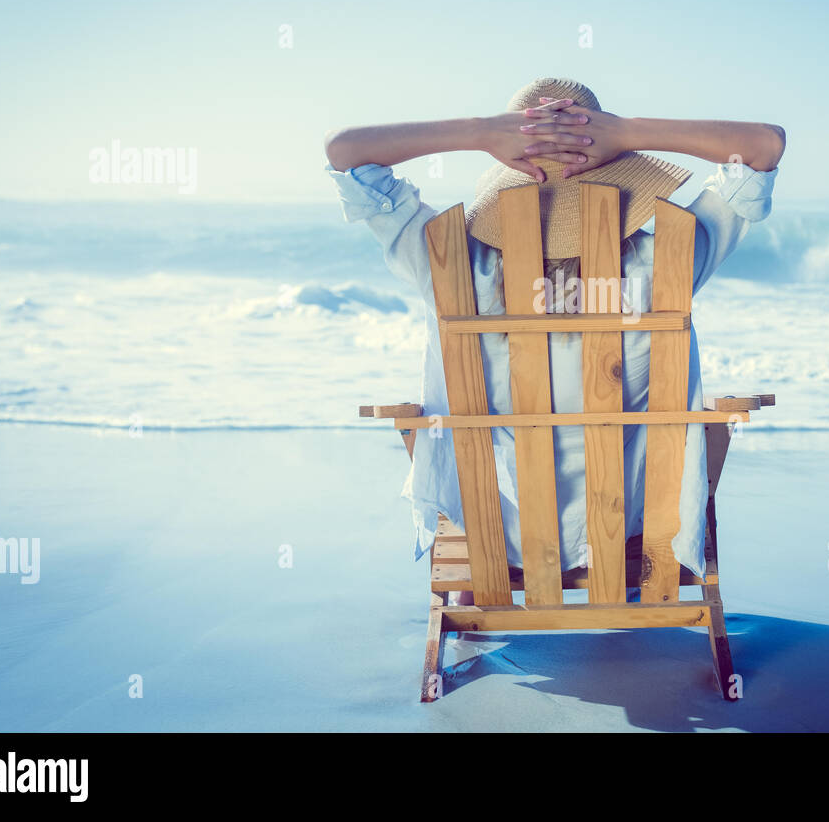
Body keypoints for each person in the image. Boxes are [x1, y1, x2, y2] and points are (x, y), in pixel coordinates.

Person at [324, 77, 784, 586]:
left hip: (498, 535)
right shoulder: (665, 264)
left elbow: (345, 152)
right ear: (619, 175)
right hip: (636, 529)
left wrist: (482, 132)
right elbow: (764, 146)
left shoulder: (451, 264)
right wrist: (627, 132)